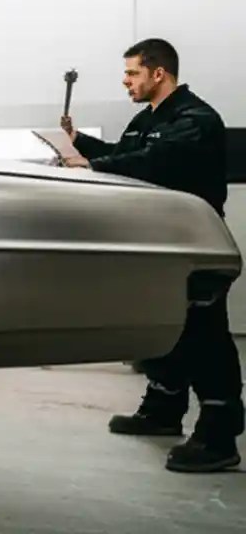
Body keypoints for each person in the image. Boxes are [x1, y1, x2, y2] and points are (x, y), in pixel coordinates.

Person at [60, 37, 243, 473]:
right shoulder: (147, 118)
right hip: (159, 243)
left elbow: (158, 161)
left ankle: (219, 436)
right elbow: (124, 154)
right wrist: (78, 143)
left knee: (204, 335)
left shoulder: (196, 119)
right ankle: (163, 410)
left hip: (195, 243)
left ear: (158, 73)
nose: (126, 82)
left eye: (132, 73)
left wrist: (94, 167)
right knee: (166, 329)